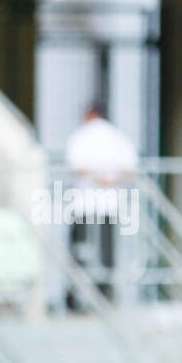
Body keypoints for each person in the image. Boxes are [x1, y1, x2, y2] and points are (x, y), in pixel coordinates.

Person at [63, 101, 138, 307]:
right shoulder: (118, 138)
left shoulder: (82, 136)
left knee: (78, 251)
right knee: (106, 252)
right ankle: (104, 295)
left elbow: (76, 166)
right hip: (108, 205)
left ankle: (73, 296)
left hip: (84, 205)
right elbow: (130, 169)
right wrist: (110, 180)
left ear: (90, 114)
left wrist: (96, 178)